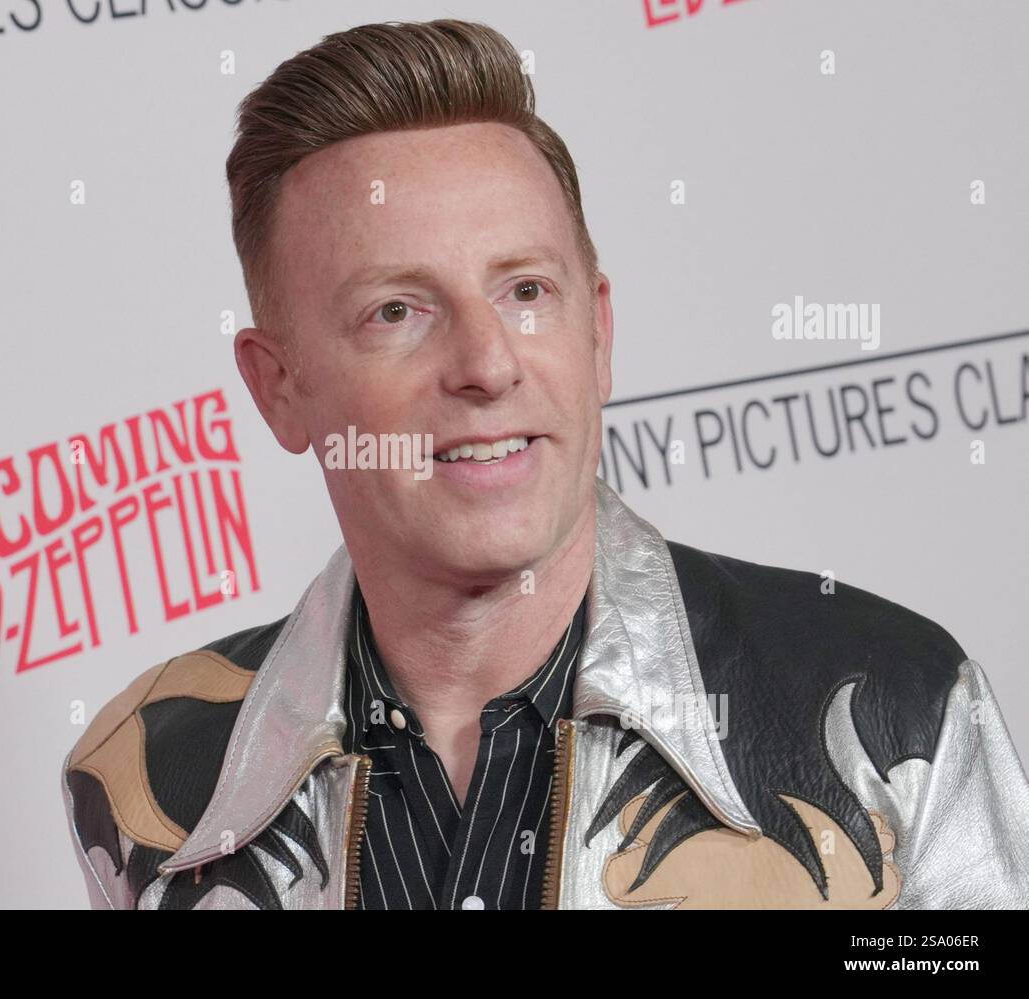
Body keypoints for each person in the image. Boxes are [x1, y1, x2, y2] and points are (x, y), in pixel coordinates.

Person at [60, 18, 1029, 909]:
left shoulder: (892, 719)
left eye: (525, 290)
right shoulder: (153, 778)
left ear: (598, 335)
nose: (486, 364)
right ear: (278, 387)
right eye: (397, 312)